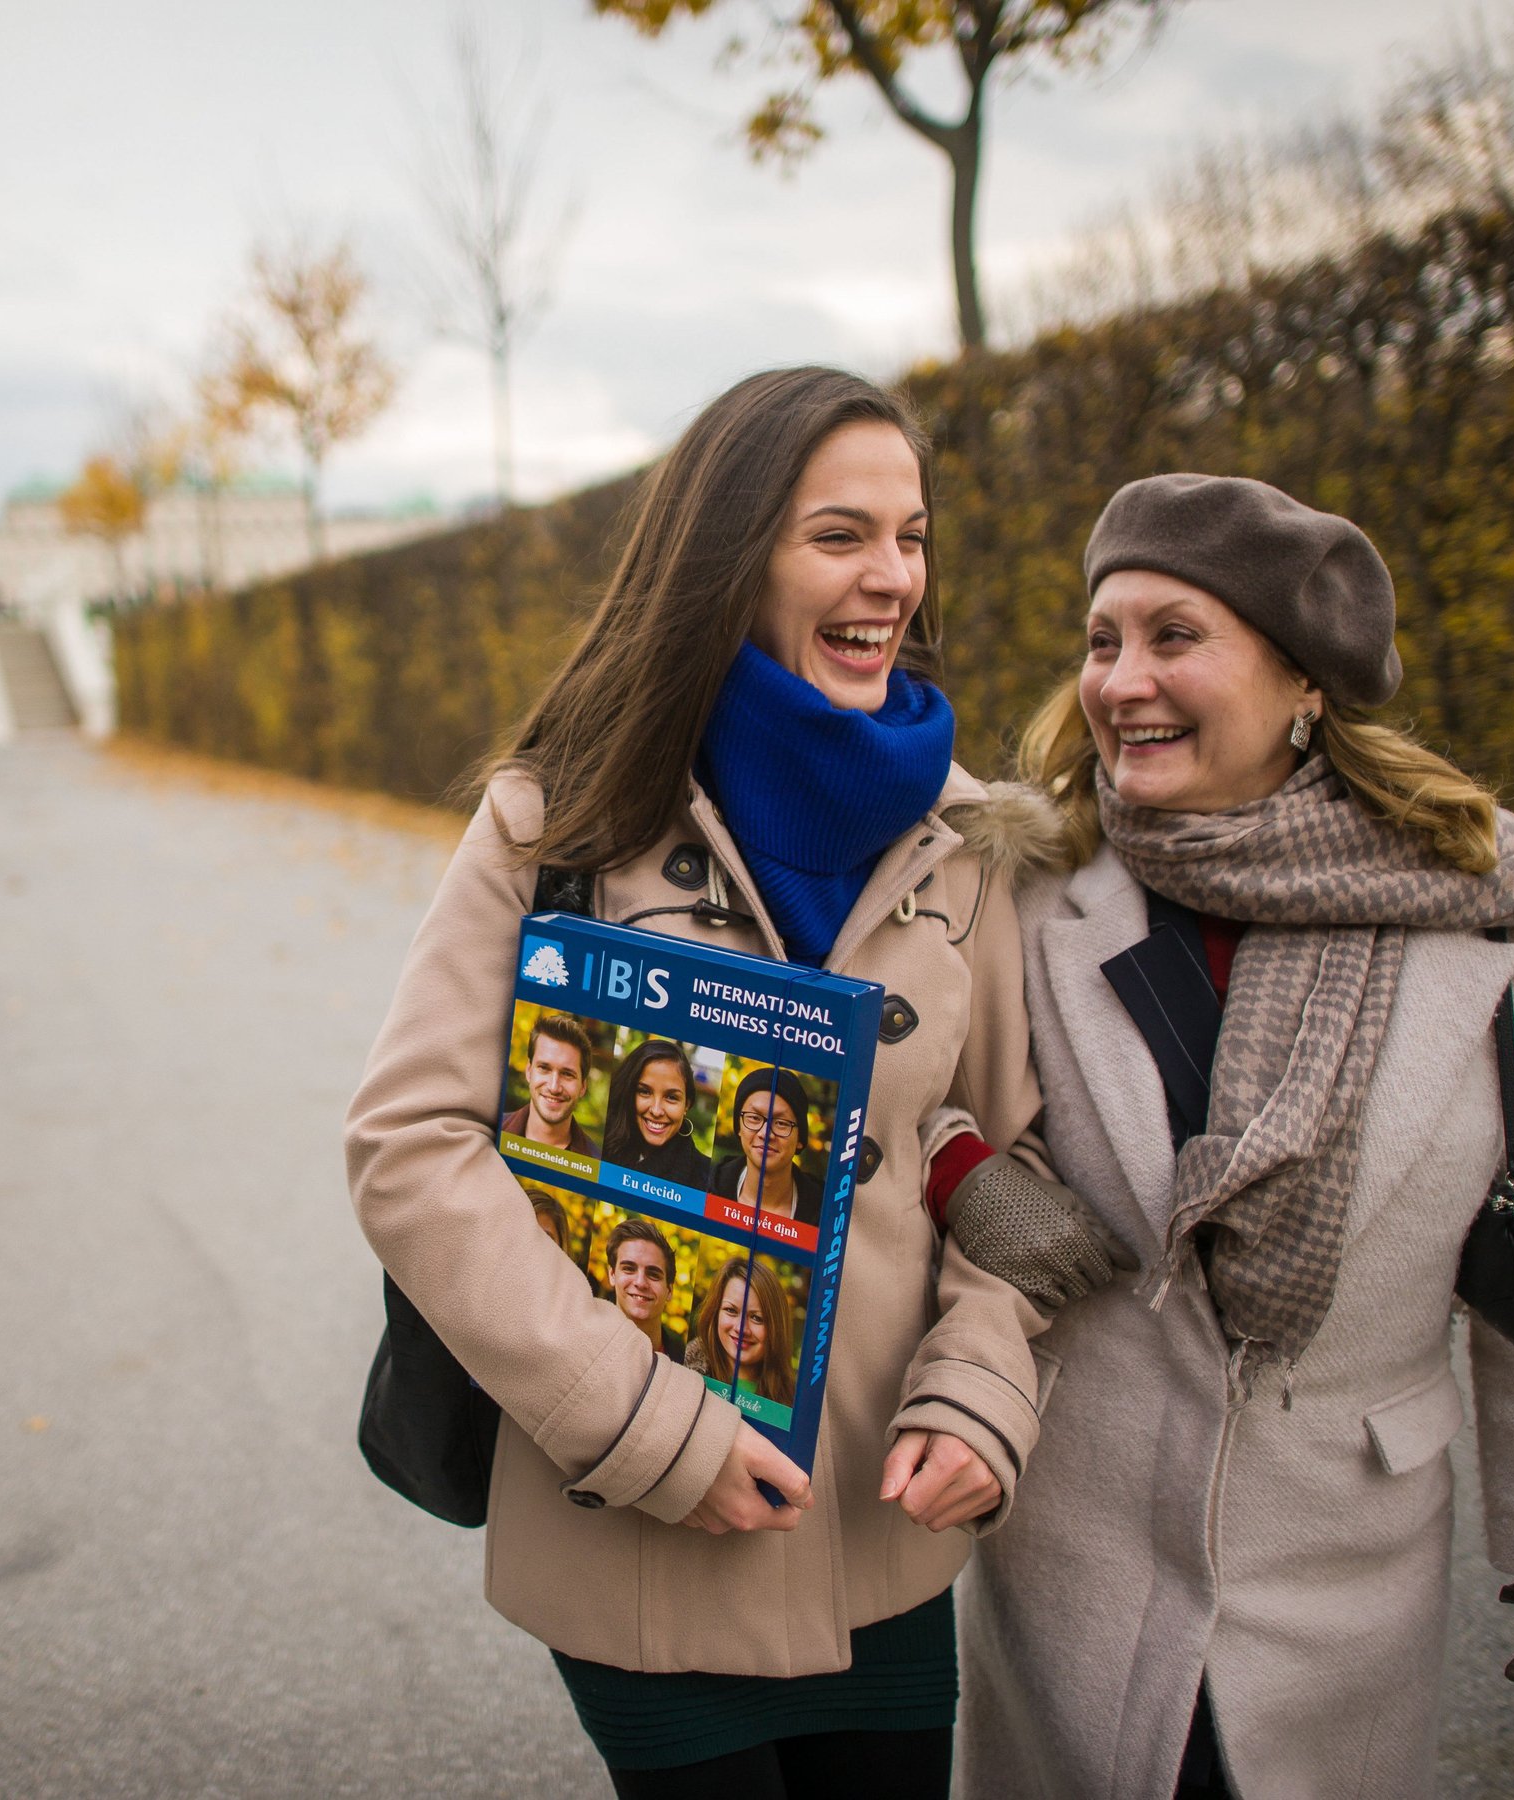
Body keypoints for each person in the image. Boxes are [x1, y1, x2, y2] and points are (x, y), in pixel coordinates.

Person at [347, 367, 1113, 1800]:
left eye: (912, 535)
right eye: (840, 535)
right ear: (730, 558)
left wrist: (977, 1393)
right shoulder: (554, 814)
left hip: (883, 1524)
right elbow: (409, 1142)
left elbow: (1022, 1166)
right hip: (632, 1527)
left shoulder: (970, 845)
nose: (891, 576)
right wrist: (641, 1426)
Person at [949, 474, 1514, 1799]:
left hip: (1346, 1554)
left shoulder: (1510, 913)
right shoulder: (1027, 884)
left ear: (1304, 683)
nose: (1121, 680)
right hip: (1077, 1549)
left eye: (1176, 637)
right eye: (1103, 640)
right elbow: (924, 1093)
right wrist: (968, 1178)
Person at [705, 1070, 824, 1226]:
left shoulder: (825, 1213)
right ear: (739, 1127)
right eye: (754, 1118)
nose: (766, 1134)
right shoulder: (706, 1188)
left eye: (781, 1123)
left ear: (799, 1140)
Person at [684, 1258, 797, 1410]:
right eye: (731, 1310)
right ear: (715, 1313)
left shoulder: (794, 1404)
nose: (742, 1329)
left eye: (757, 1318)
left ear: (775, 1328)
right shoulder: (682, 1375)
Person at [598, 1038, 711, 1188]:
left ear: (686, 1105)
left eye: (671, 1097)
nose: (656, 1111)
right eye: (644, 1092)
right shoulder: (599, 1148)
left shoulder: (705, 1177)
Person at [500, 1013, 598, 1157]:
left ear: (583, 1086)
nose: (554, 1087)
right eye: (544, 1068)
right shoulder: (493, 1130)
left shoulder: (596, 1162)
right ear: (529, 1071)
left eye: (567, 1074)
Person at [602, 1217, 688, 1362]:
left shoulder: (683, 1358)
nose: (640, 1283)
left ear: (670, 1290)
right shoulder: (583, 1340)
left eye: (653, 1274)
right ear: (612, 1275)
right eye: (629, 1269)